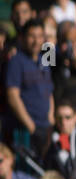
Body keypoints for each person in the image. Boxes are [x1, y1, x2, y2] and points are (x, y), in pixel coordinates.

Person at [5, 18, 54, 152]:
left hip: (45, 128)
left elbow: (49, 92)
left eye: (39, 36)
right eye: (32, 36)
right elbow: (12, 96)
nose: (36, 41)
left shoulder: (45, 60)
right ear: (23, 38)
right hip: (25, 130)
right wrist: (30, 125)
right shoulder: (16, 61)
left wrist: (50, 120)